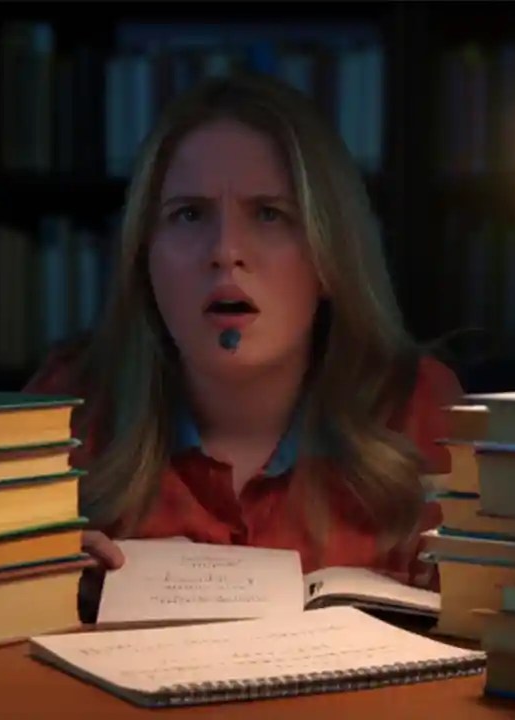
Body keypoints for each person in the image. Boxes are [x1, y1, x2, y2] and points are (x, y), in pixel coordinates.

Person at [23, 72, 462, 620]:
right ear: (144, 256)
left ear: (330, 258)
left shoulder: (419, 407)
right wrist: (35, 590)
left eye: (270, 215)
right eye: (189, 214)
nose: (226, 251)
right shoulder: (68, 409)